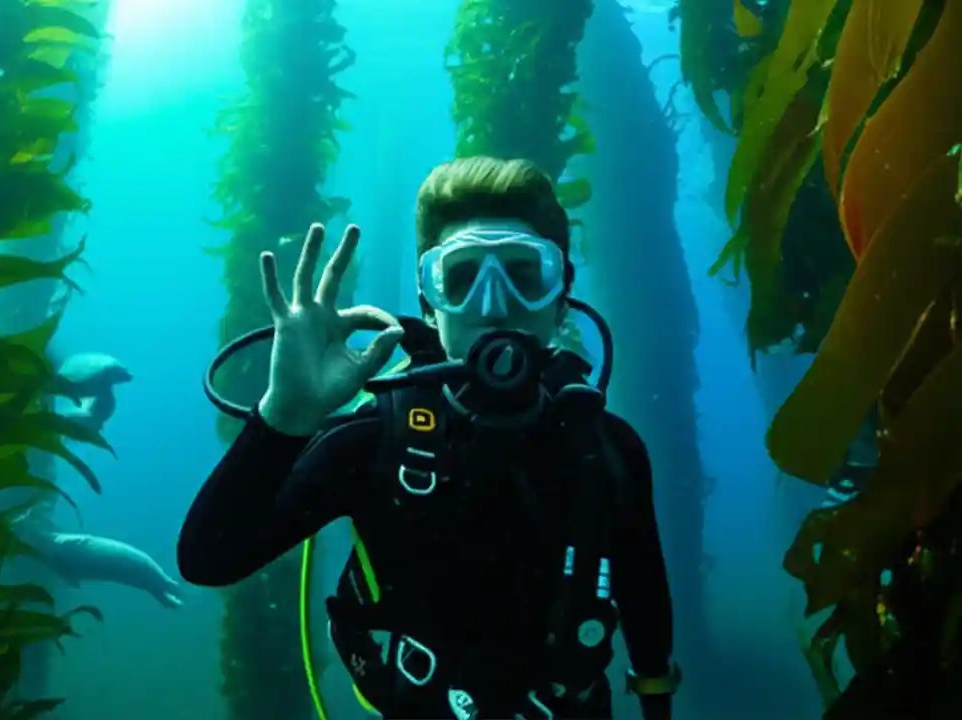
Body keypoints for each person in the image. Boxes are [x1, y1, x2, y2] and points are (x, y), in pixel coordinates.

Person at [178, 157, 678, 719]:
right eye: (462, 278)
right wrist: (283, 418)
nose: (494, 304)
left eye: (524, 273)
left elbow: (643, 594)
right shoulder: (375, 440)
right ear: (428, 302)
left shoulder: (609, 449)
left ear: (561, 296)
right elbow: (208, 559)